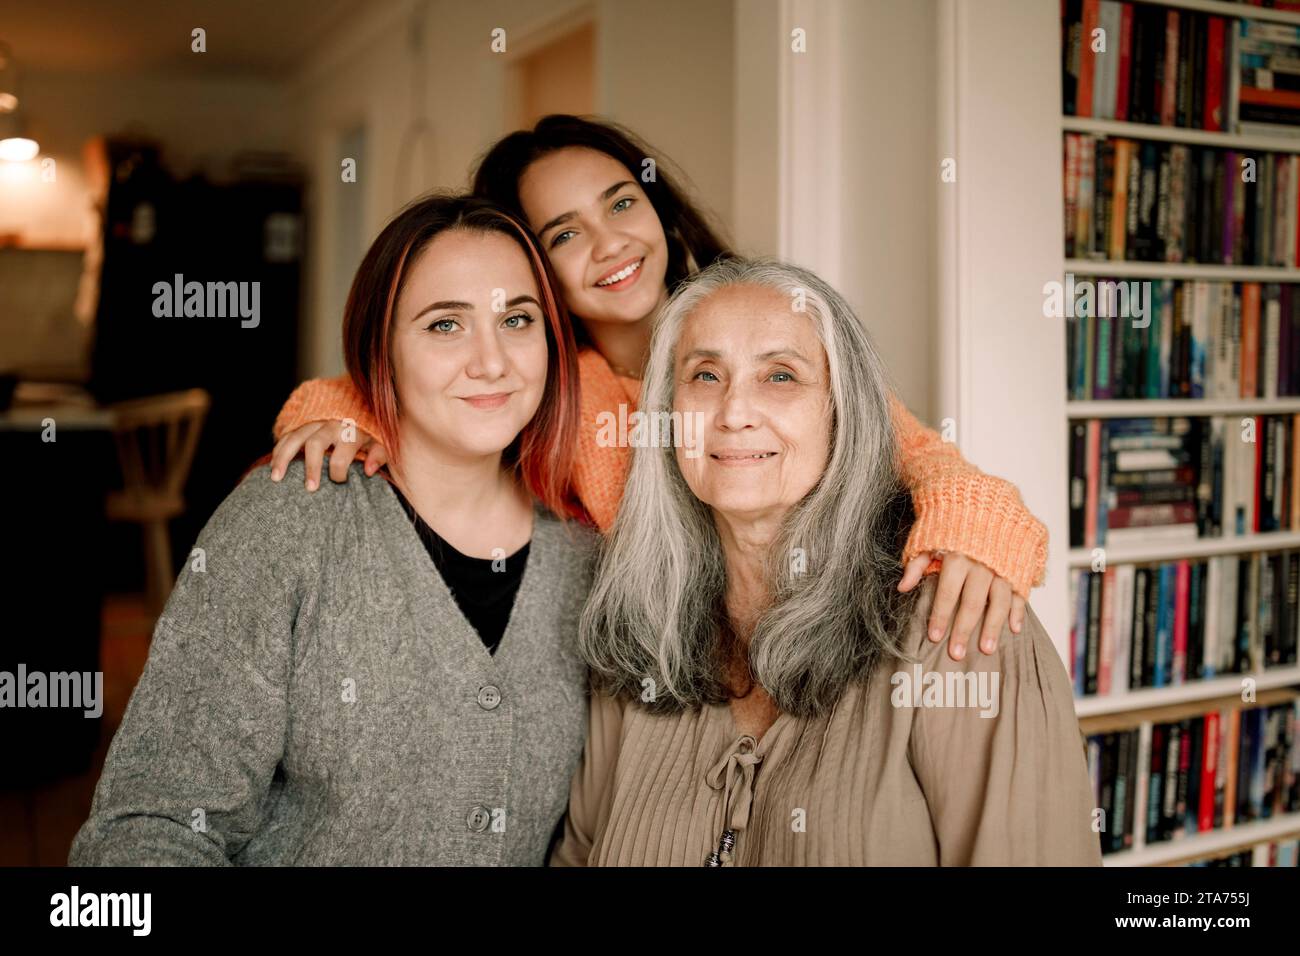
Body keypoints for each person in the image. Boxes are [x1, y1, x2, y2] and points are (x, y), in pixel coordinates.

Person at [269, 115, 1048, 663]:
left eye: (621, 204)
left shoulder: (758, 324)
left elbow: (916, 452)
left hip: (825, 634)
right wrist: (329, 412)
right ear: (530, 271)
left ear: (659, 211)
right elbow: (389, 381)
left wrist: (971, 525)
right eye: (565, 234)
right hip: (677, 668)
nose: (610, 243)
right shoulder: (549, 383)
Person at [70, 195, 596, 865]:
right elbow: (153, 825)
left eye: (517, 319)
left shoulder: (589, 562)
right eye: (445, 326)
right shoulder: (288, 519)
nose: (491, 361)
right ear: (381, 349)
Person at [550, 258, 1101, 866]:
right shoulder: (638, 629)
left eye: (780, 376)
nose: (734, 412)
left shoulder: (962, 626)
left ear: (844, 413)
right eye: (705, 375)